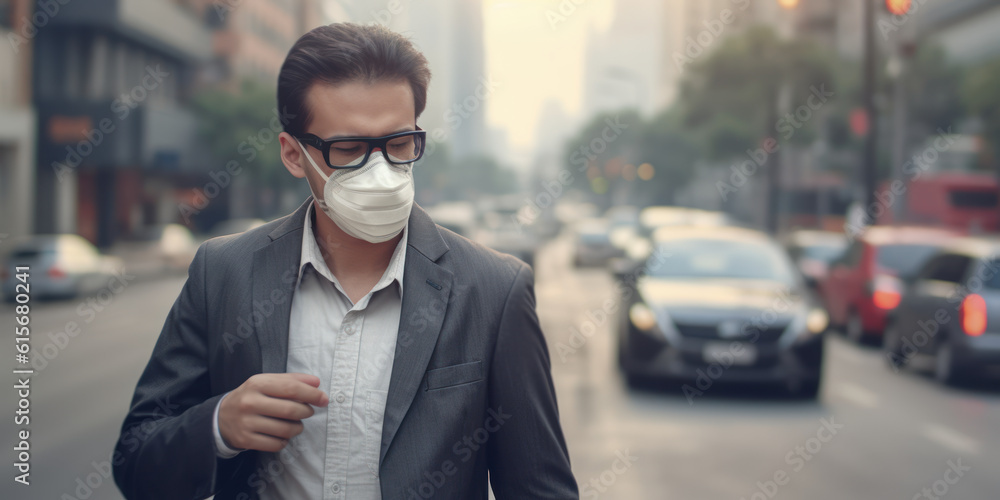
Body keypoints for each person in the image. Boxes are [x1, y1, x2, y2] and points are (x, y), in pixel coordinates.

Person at [112, 22, 578, 500]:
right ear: (294, 155)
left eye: (398, 144)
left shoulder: (495, 290)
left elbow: (540, 488)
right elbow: (135, 461)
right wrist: (218, 426)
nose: (381, 171)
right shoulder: (222, 272)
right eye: (349, 150)